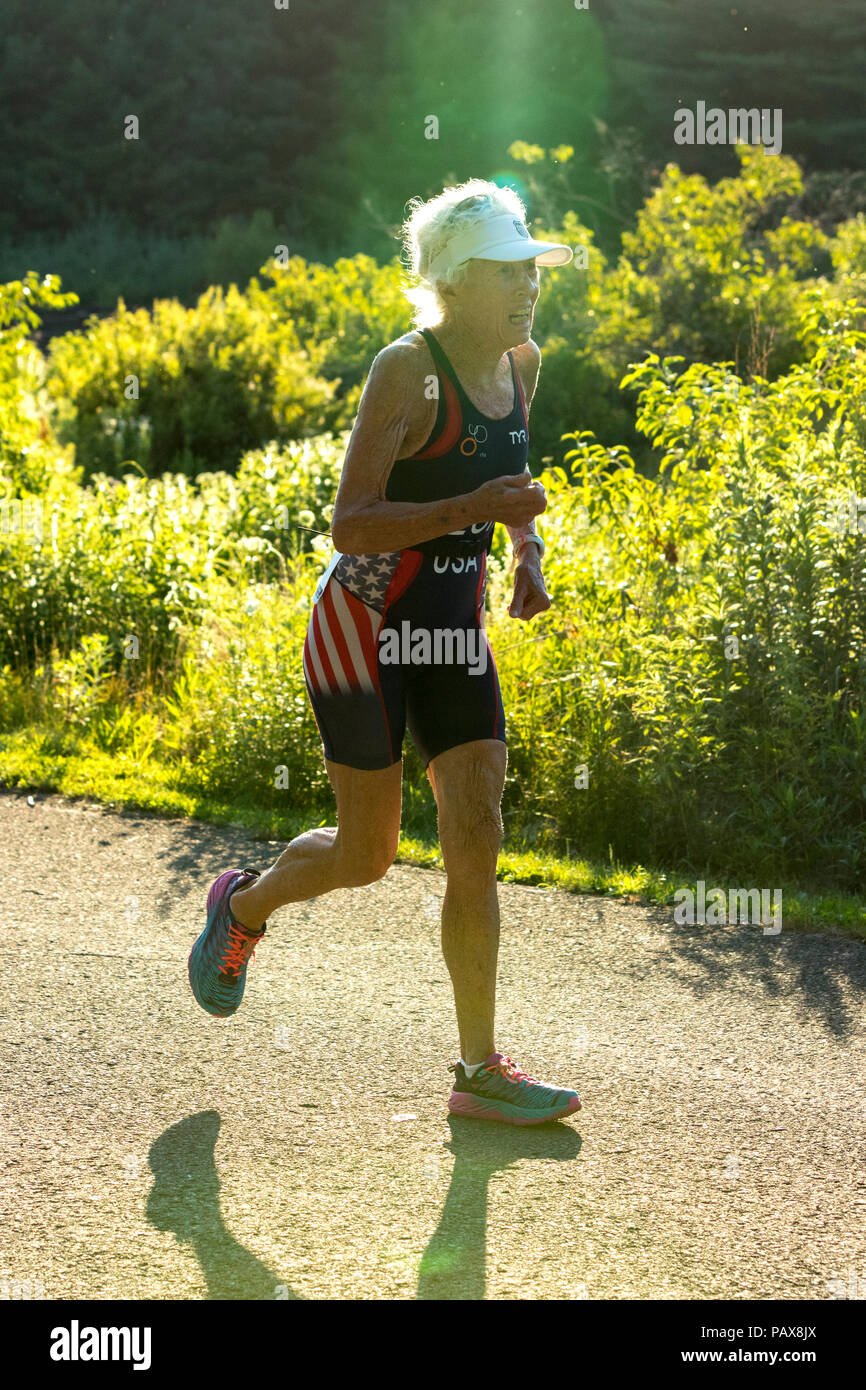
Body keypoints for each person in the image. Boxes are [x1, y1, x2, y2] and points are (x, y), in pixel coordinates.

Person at [189, 179, 582, 1126]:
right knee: (368, 855)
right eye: (509, 271)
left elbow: (510, 480)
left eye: (534, 269)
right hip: (362, 634)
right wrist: (477, 513)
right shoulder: (408, 370)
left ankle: (479, 1070)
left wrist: (524, 552)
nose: (530, 287)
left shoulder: (522, 363)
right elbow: (351, 525)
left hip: (454, 635)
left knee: (475, 838)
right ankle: (243, 908)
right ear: (456, 281)